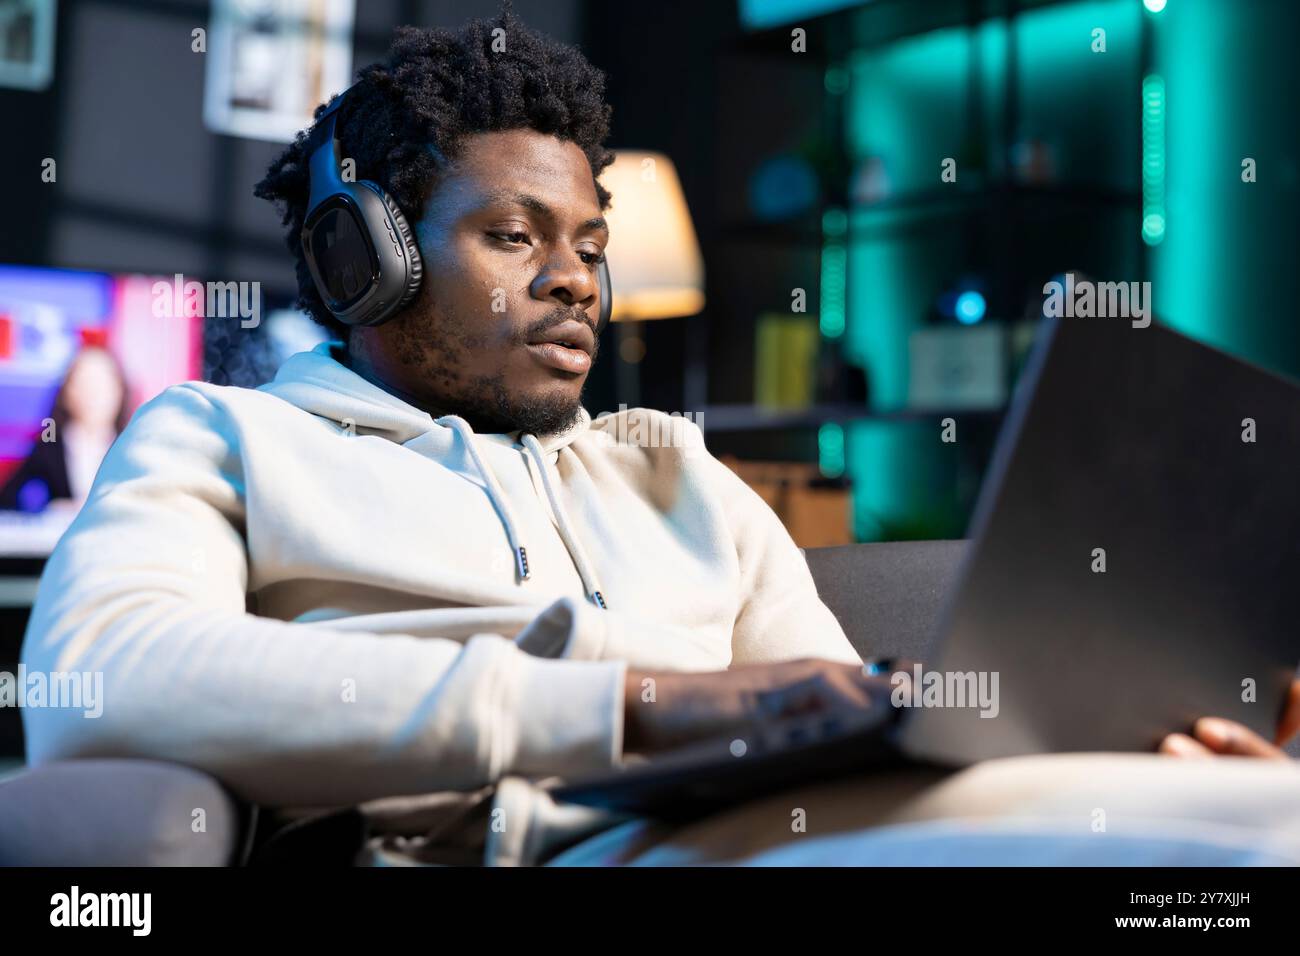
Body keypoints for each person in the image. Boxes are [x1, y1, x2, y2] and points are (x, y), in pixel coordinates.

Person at [19, 7, 1300, 866]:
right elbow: (101, 682)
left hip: (764, 831)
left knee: (1258, 807)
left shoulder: (680, 471)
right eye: (514, 236)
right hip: (547, 844)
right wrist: (634, 705)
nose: (577, 282)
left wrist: (1140, 737)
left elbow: (849, 729)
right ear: (363, 259)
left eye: (590, 246)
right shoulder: (223, 436)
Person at [0, 344, 130, 513]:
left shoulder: (133, 444)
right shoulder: (49, 444)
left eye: (102, 383)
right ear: (67, 394)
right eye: (84, 383)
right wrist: (49, 509)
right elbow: (9, 499)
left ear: (119, 391)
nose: (93, 393)